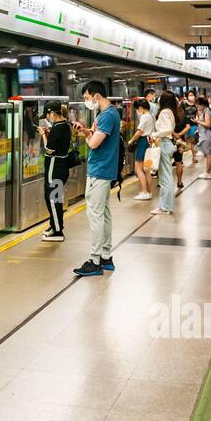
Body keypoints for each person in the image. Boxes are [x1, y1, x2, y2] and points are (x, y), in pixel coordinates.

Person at [72, 81, 121, 277]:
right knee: (104, 213)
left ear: (96, 96)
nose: (86, 102)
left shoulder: (107, 116)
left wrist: (87, 137)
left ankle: (94, 260)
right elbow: (95, 137)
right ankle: (106, 257)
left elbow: (93, 144)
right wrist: (85, 131)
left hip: (99, 170)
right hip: (104, 169)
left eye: (87, 98)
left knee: (95, 214)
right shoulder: (109, 114)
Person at [39, 101, 72, 239]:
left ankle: (57, 230)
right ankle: (55, 225)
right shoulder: (65, 125)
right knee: (56, 198)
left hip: (55, 166)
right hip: (62, 165)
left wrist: (43, 135)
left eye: (47, 115)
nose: (47, 118)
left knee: (52, 198)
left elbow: (49, 150)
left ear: (52, 113)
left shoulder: (57, 128)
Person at [151, 92, 184, 214]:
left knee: (165, 178)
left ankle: (165, 207)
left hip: (164, 143)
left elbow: (168, 129)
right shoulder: (171, 111)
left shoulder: (165, 112)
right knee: (167, 176)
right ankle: (165, 205)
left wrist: (155, 134)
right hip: (167, 144)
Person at [128, 97, 154, 200]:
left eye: (137, 109)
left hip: (143, 142)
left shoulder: (144, 117)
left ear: (141, 108)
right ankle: (149, 192)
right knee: (146, 170)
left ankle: (144, 192)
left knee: (138, 169)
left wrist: (131, 140)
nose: (137, 112)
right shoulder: (151, 116)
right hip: (148, 142)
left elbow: (139, 131)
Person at [194, 96, 211, 177]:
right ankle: (207, 172)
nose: (197, 107)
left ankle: (207, 173)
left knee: (208, 155)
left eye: (198, 105)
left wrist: (198, 121)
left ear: (203, 104)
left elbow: (208, 124)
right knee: (207, 154)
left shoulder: (207, 112)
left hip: (207, 136)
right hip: (205, 135)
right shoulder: (204, 111)